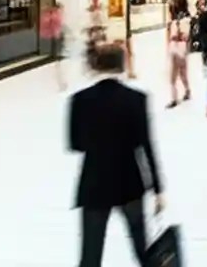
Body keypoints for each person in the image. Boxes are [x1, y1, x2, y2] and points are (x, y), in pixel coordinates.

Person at [69, 43, 165, 267]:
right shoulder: (136, 99)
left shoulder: (80, 100)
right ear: (122, 65)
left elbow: (75, 144)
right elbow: (147, 145)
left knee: (90, 255)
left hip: (94, 183)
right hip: (129, 182)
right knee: (143, 251)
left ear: (96, 66)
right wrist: (158, 189)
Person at [165, 0, 191, 109]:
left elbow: (175, 35)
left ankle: (174, 98)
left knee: (173, 75)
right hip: (182, 47)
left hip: (176, 47)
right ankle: (187, 91)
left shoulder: (176, 21)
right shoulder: (186, 19)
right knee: (182, 73)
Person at [40, 2, 66, 89]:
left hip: (56, 37)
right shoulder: (56, 15)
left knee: (57, 63)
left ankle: (60, 82)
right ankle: (60, 82)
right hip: (56, 37)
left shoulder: (55, 15)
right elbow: (53, 26)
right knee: (57, 63)